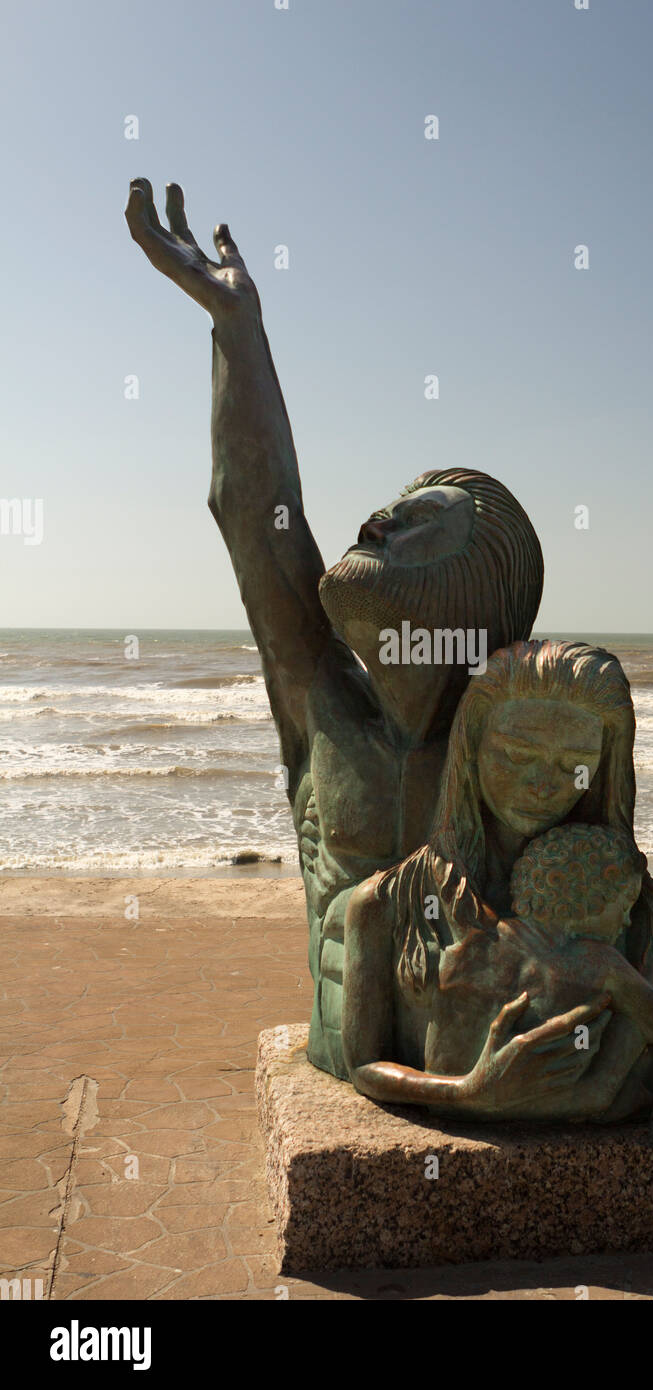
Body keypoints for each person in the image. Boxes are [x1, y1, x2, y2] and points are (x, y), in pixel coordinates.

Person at [124, 179, 543, 1079]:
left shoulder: (509, 741)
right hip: (340, 1053)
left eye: (418, 519)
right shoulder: (321, 698)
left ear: (468, 588)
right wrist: (238, 331)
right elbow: (253, 507)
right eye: (391, 505)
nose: (379, 520)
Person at [342, 640, 653, 1121]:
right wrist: (469, 1091)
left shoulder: (650, 917)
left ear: (602, 765)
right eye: (515, 753)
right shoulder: (387, 903)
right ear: (471, 749)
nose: (541, 784)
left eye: (572, 764)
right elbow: (364, 1064)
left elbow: (622, 1080)